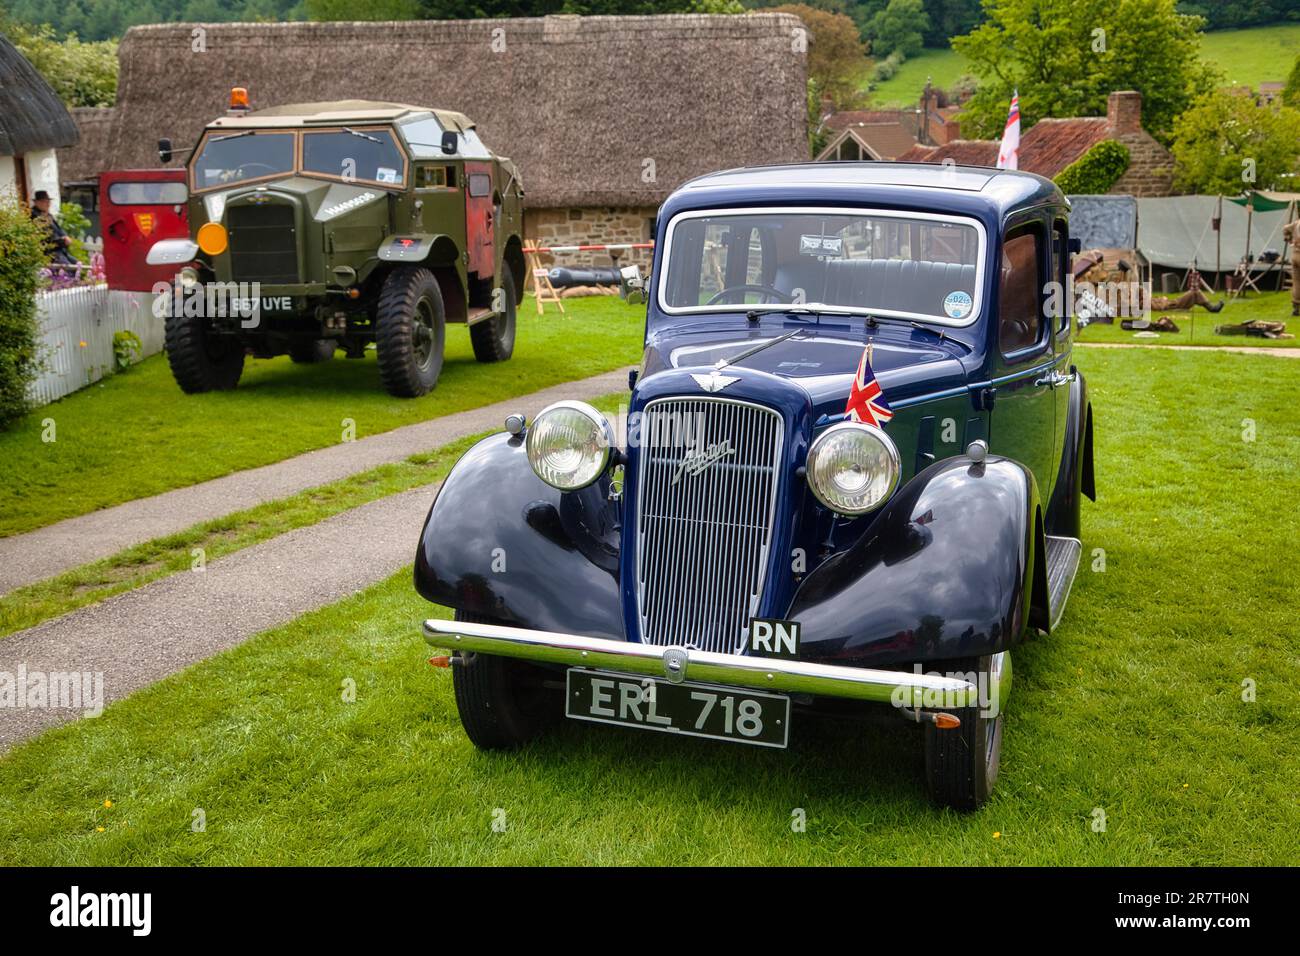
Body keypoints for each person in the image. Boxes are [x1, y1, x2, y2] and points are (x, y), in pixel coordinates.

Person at [28, 190, 78, 267]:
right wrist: (62, 241)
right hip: (49, 253)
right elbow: (45, 238)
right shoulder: (35, 217)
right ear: (37, 203)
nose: (48, 204)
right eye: (44, 201)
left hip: (60, 250)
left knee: (77, 264)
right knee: (68, 269)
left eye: (48, 201)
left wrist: (65, 237)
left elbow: (59, 229)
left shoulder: (48, 215)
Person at [1284, 211, 1300, 317]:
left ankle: (1296, 308)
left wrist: (1288, 239)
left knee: (1297, 282)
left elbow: (1285, 228)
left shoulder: (1296, 223)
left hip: (1295, 254)